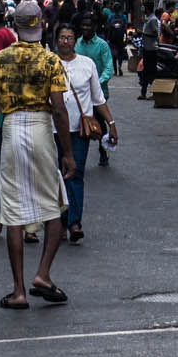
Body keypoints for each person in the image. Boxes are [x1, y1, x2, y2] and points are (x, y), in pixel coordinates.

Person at [0, 1, 73, 310]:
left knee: (13, 209)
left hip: (12, 128)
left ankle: (18, 291)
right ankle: (42, 274)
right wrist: (67, 152)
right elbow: (58, 108)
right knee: (53, 202)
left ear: (15, 26)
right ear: (41, 24)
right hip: (42, 128)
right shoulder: (50, 61)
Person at [56, 22, 117, 242]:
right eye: (62, 37)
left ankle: (74, 222)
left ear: (75, 40)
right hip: (53, 130)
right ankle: (59, 222)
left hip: (79, 130)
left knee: (76, 173)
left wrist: (111, 123)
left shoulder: (87, 64)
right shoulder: (48, 64)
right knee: (57, 176)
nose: (66, 41)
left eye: (70, 37)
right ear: (56, 41)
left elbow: (98, 98)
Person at [75, 12, 115, 166]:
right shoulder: (76, 44)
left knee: (99, 123)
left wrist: (96, 83)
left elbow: (108, 68)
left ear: (95, 27)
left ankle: (102, 149)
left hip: (99, 94)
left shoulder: (102, 45)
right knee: (79, 124)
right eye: (83, 25)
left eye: (88, 25)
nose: (85, 28)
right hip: (79, 94)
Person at [138, 0, 161, 100]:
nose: (142, 8)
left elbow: (156, 34)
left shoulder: (153, 20)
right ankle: (143, 93)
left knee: (150, 71)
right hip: (147, 49)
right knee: (146, 71)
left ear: (147, 8)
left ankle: (154, 93)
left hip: (152, 50)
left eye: (143, 6)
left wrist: (142, 33)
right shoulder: (148, 19)